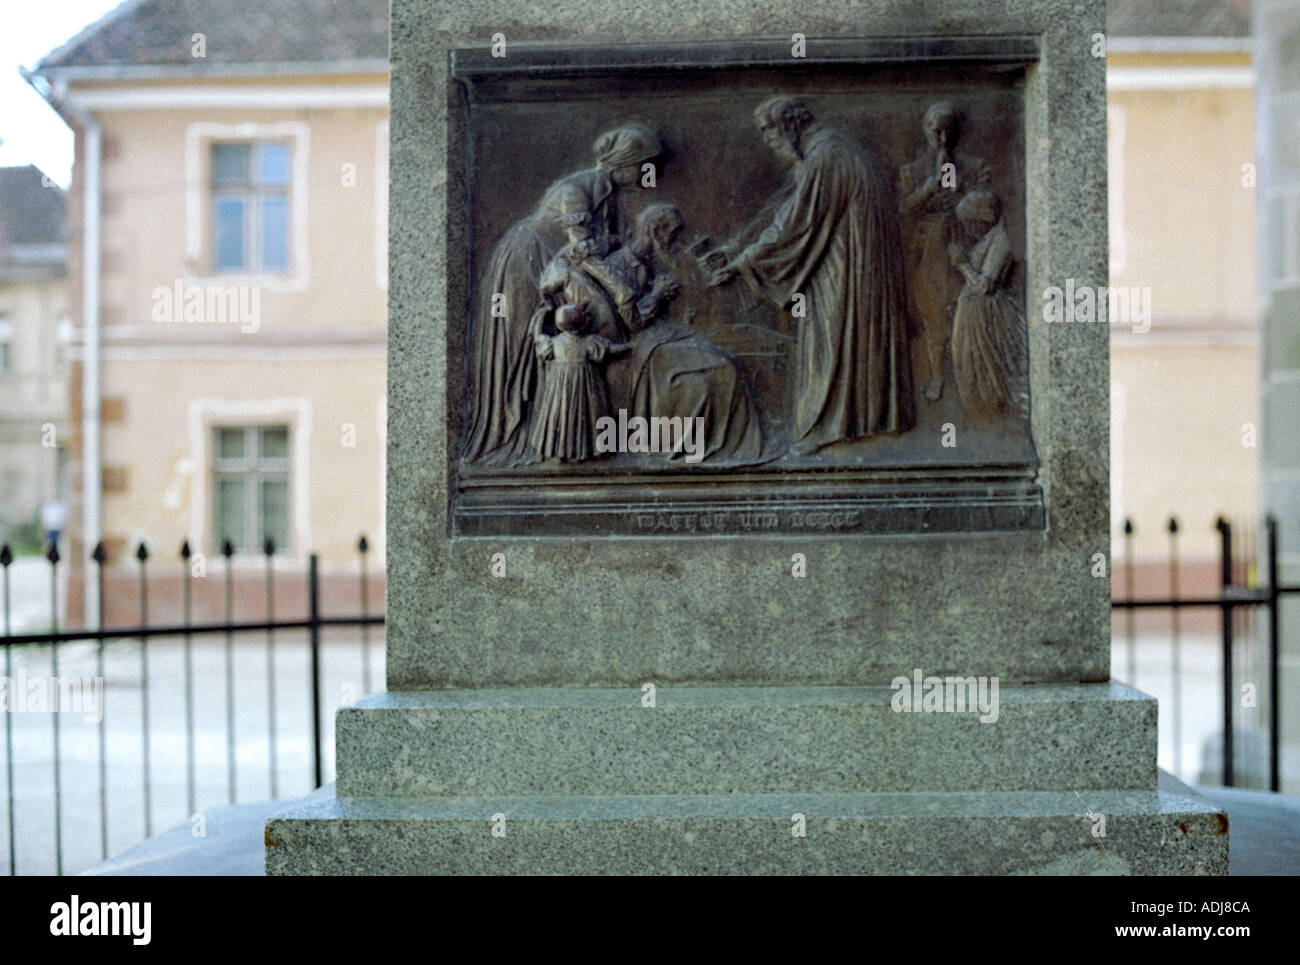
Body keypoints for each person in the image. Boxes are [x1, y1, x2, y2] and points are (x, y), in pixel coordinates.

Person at [711, 98, 914, 455]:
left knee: (833, 339)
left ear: (790, 126)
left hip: (846, 266)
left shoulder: (827, 156)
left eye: (771, 135)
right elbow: (785, 205)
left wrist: (744, 262)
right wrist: (737, 247)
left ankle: (827, 427)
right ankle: (850, 423)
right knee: (838, 338)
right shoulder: (823, 153)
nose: (770, 144)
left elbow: (796, 222)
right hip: (846, 260)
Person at [463, 125, 662, 465]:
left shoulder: (606, 195)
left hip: (558, 266)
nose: (648, 173)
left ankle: (558, 428)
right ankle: (514, 429)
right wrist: (619, 289)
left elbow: (594, 248)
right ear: (623, 164)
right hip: (527, 262)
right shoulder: (576, 191)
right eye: (644, 165)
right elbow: (583, 253)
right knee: (523, 342)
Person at [898, 102, 991, 402]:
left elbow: (991, 208)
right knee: (933, 315)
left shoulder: (976, 167)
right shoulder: (911, 172)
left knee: (968, 312)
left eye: (947, 130)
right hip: (929, 252)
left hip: (966, 246)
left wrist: (959, 184)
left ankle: (970, 376)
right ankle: (937, 376)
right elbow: (900, 211)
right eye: (934, 130)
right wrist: (929, 187)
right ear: (925, 129)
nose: (940, 138)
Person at [947, 190, 1029, 421]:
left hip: (989, 317)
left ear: (981, 219)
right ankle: (980, 413)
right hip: (972, 315)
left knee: (987, 369)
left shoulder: (1003, 240)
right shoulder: (987, 239)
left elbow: (986, 286)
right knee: (968, 366)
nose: (967, 229)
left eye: (969, 223)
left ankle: (991, 412)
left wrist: (963, 265)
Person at [526, 302, 629, 462]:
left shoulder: (553, 343)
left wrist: (539, 319)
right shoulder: (589, 342)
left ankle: (561, 452)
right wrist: (630, 347)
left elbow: (537, 338)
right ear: (582, 323)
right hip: (585, 383)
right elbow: (610, 350)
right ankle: (582, 451)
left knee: (560, 415)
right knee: (584, 415)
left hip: (560, 385)